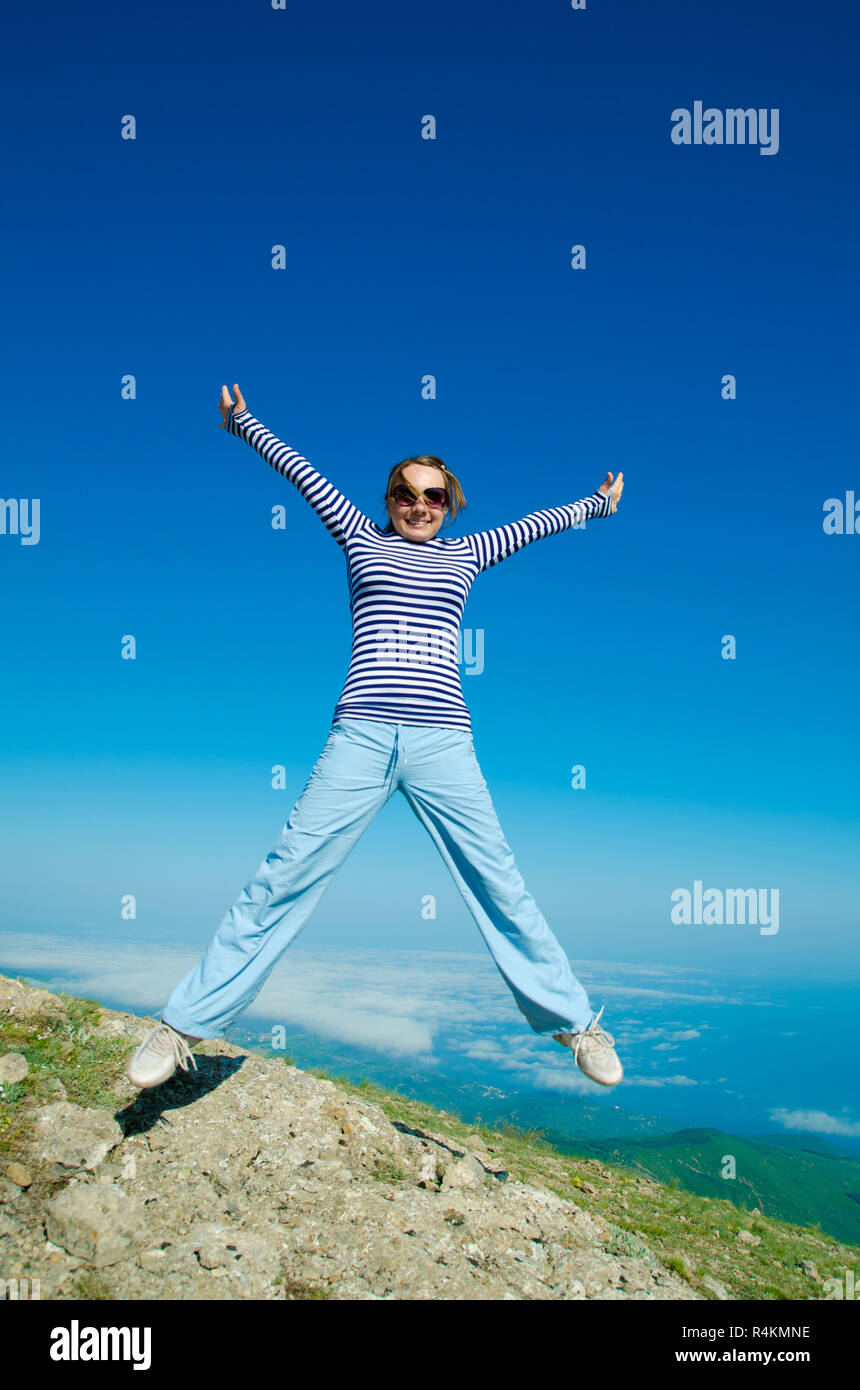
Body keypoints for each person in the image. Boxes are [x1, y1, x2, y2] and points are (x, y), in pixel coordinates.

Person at [127, 384, 625, 1091]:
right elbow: (303, 473)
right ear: (388, 499)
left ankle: (576, 1025)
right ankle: (182, 1026)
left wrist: (597, 505)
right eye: (405, 493)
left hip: (443, 741)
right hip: (360, 734)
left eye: (433, 496)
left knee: (499, 881)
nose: (418, 505)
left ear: (449, 505)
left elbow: (539, 522)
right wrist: (244, 425)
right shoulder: (361, 536)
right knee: (285, 872)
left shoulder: (469, 553)